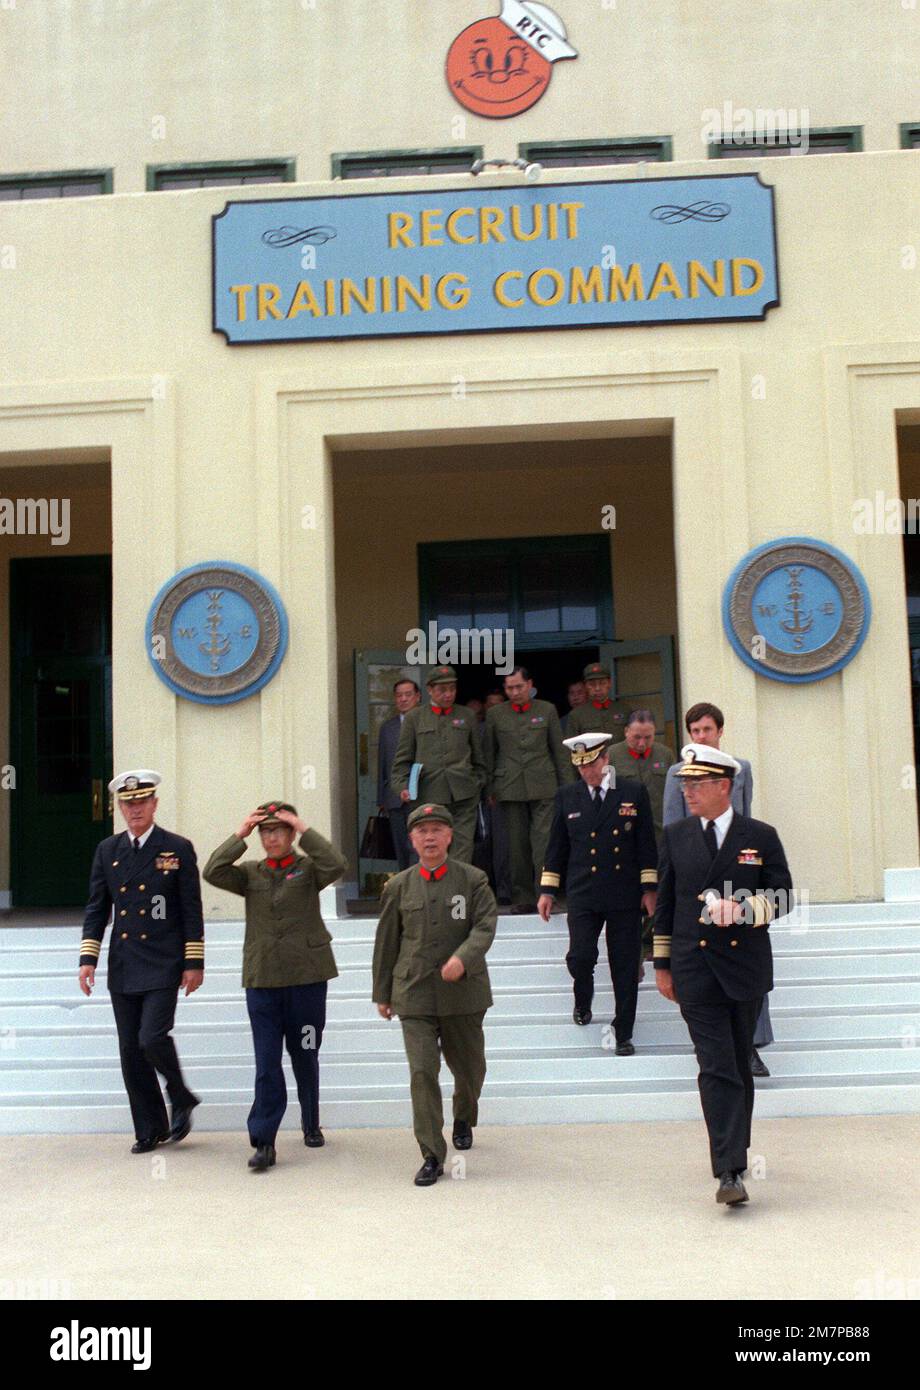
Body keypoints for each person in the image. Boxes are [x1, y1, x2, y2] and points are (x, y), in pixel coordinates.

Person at [654, 744, 793, 1205]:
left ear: (723, 786)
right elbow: (667, 904)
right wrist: (662, 965)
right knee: (715, 1067)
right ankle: (728, 1171)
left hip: (744, 968)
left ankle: (736, 1149)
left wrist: (746, 908)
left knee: (737, 1066)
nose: (688, 792)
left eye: (696, 784)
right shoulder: (675, 835)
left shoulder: (761, 835)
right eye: (685, 785)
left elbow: (786, 897)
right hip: (695, 968)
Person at [203, 801, 347, 1171]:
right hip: (263, 980)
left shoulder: (308, 868)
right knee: (267, 1062)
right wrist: (241, 834)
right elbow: (213, 871)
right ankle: (264, 1140)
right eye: (266, 831)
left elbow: (337, 865)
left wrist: (303, 826)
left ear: (290, 834)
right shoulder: (249, 873)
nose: (271, 838)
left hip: (307, 978)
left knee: (305, 1053)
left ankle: (310, 1121)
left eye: (278, 830)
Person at [78, 770, 203, 1153]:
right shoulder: (108, 851)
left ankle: (179, 1094)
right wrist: (88, 958)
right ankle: (150, 1128)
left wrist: (193, 961)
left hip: (164, 960)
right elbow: (98, 908)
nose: (135, 809)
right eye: (128, 803)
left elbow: (190, 909)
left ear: (154, 804)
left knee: (151, 1037)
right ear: (119, 807)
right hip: (126, 961)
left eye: (141, 802)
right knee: (131, 1050)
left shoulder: (176, 848)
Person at [372, 804, 497, 1186]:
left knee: (470, 1069)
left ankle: (463, 1114)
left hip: (463, 992)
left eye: (436, 830)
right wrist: (383, 992)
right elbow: (387, 942)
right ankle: (431, 1152)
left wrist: (463, 958)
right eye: (421, 830)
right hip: (415, 992)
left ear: (449, 836)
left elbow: (485, 925)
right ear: (411, 840)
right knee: (423, 1072)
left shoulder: (473, 880)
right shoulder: (397, 886)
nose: (429, 837)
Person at [661, 701, 770, 1077]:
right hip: (696, 883)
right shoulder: (678, 773)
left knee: (750, 959)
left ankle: (753, 1045)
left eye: (706, 730)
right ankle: (717, 1049)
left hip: (736, 881)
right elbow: (673, 830)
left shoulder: (742, 770)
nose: (701, 736)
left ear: (720, 731)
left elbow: (746, 818)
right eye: (694, 731)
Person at [537, 734, 657, 1049]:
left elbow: (646, 843)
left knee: (625, 963)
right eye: (581, 766)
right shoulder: (568, 796)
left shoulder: (632, 791)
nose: (587, 772)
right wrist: (547, 890)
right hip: (583, 891)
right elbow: (557, 847)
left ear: (605, 759)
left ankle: (624, 1032)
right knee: (580, 957)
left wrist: (649, 888)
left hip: (623, 892)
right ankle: (582, 997)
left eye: (591, 763)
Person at [483, 665, 574, 913]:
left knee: (544, 844)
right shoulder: (495, 714)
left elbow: (559, 751)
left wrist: (567, 788)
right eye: (510, 688)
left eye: (519, 687)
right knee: (516, 847)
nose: (515, 692)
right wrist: (490, 788)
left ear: (530, 684)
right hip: (509, 787)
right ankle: (522, 897)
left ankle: (546, 893)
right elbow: (489, 754)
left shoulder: (547, 710)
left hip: (544, 785)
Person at [390, 664, 485, 865]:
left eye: (452, 688)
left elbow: (479, 759)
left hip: (464, 795)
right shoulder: (414, 718)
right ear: (430, 690)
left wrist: (477, 783)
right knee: (431, 849)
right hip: (428, 795)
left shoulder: (466, 715)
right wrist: (402, 788)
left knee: (462, 851)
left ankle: (458, 895)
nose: (448, 694)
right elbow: (401, 762)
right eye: (442, 689)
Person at [377, 677, 421, 869]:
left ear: (417, 697)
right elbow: (383, 764)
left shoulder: (427, 723)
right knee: (400, 847)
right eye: (399, 695)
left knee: (418, 846)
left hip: (421, 795)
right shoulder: (388, 728)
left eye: (408, 694)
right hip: (394, 798)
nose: (403, 699)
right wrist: (382, 799)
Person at [564, 661, 627, 742]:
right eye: (592, 684)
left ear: (609, 683)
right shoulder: (576, 715)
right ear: (586, 686)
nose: (597, 688)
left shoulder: (624, 710)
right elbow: (571, 747)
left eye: (602, 683)